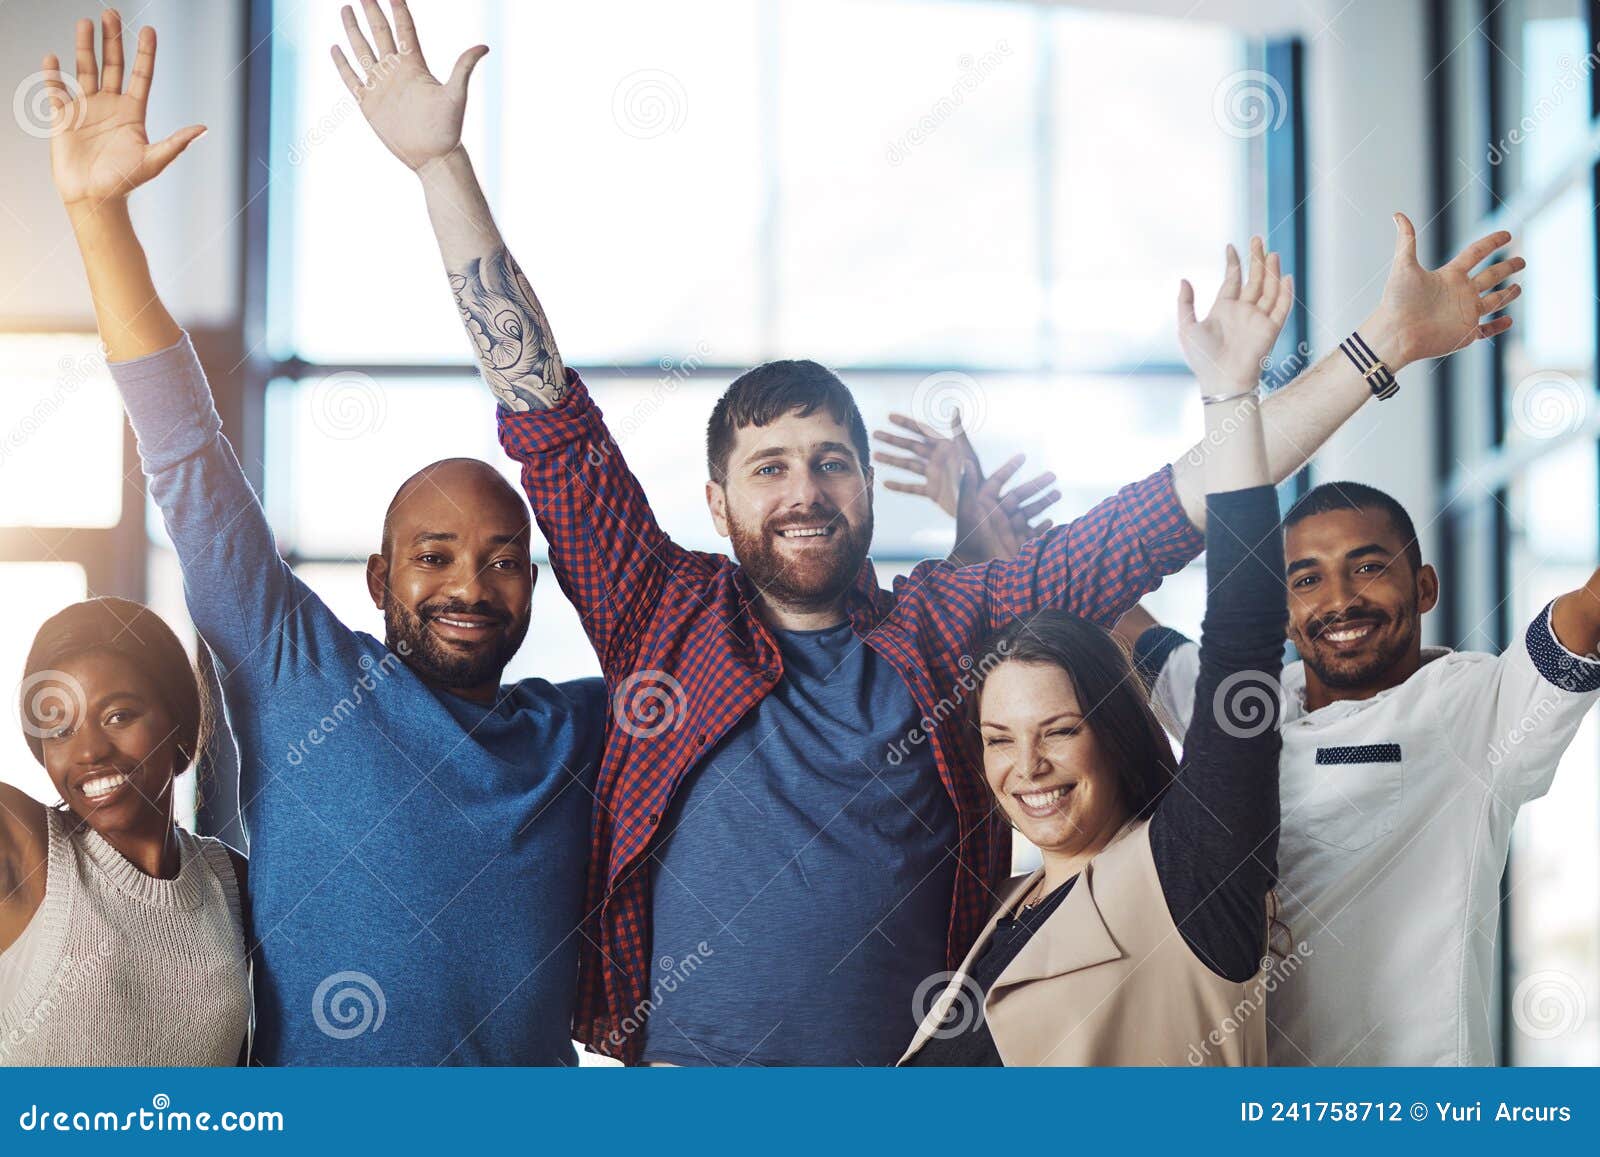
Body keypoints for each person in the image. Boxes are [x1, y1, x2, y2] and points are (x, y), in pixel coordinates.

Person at [337, 0, 1522, 1065]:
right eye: (769, 468)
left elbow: (1169, 509)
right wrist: (442, 166)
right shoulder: (661, 609)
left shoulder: (950, 626)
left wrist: (1377, 351)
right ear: (718, 502)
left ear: (866, 488)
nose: (804, 490)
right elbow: (547, 415)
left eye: (830, 462)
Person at [39, 9, 607, 1065]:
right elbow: (186, 449)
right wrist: (97, 215)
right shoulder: (299, 670)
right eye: (434, 556)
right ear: (379, 577)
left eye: (502, 560)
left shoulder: (581, 731)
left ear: (535, 584)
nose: (469, 584)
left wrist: (442, 167)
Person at [903, 242, 1290, 1065]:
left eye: (1059, 730)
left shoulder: (1188, 873)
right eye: (999, 738)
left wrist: (1229, 396)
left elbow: (1245, 635)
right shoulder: (1008, 908)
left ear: (1114, 731)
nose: (1027, 766)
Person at [1114, 482, 1600, 1065]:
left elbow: (1584, 613)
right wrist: (1022, 552)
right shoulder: (1245, 703)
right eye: (1307, 580)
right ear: (1283, 612)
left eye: (1368, 567)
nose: (1340, 600)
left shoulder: (1475, 707)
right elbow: (1141, 640)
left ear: (1424, 588)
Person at [0, 599, 249, 1066]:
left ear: (178, 723)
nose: (89, 751)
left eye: (118, 716)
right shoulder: (24, 847)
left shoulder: (230, 879)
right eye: (59, 731)